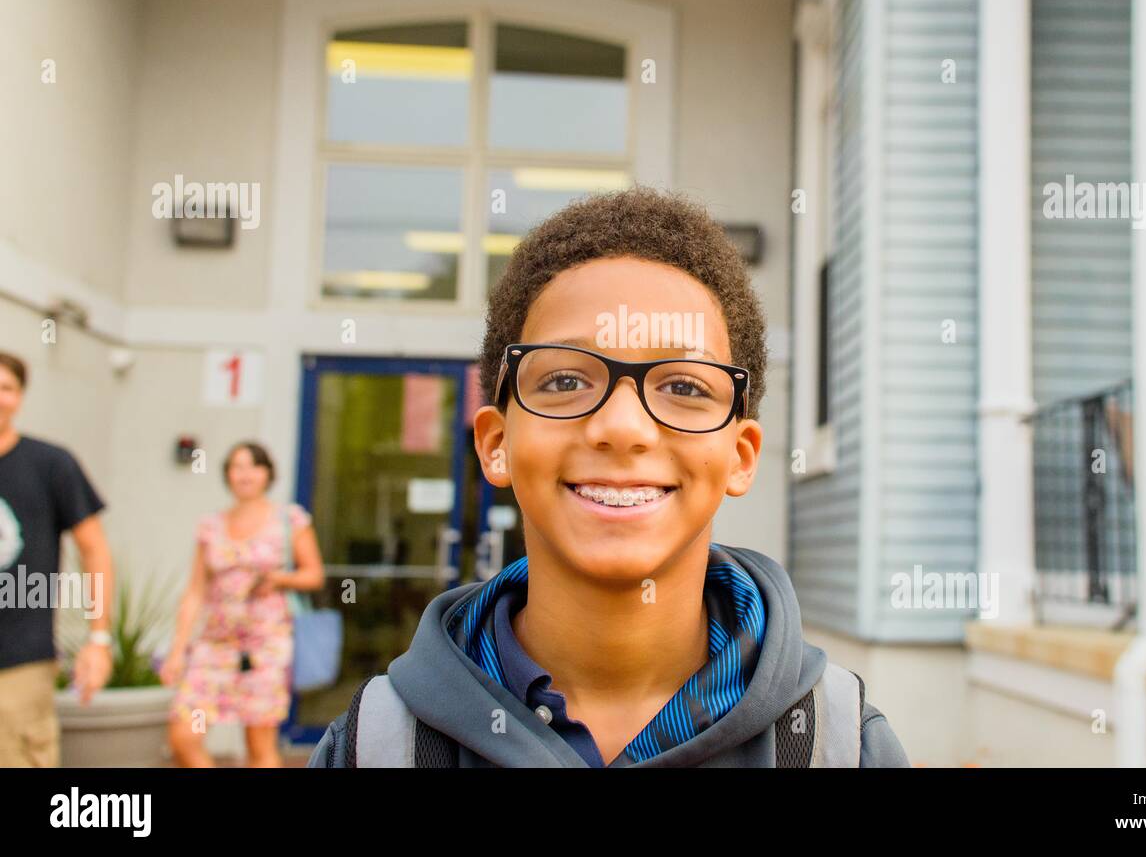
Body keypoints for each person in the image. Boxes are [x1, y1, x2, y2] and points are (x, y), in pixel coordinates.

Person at [310, 185, 909, 768]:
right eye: (566, 381)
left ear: (741, 455)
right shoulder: (379, 747)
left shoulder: (838, 745)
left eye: (683, 386)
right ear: (496, 445)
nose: (622, 428)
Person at [162, 441, 324, 767]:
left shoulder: (289, 519)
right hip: (214, 645)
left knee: (258, 744)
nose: (245, 474)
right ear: (227, 475)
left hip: (265, 646)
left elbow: (314, 575)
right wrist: (178, 649)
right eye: (237, 467)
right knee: (183, 735)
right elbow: (195, 590)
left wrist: (279, 579)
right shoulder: (211, 526)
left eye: (253, 466)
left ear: (267, 473)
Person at [0, 351, 114, 767]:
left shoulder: (50, 464)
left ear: (20, 397)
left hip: (19, 661)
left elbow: (95, 550)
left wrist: (99, 640)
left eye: (6, 388)